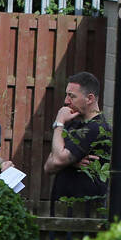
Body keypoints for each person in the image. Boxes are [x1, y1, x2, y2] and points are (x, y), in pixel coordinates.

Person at [45, 71, 111, 212]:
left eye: (72, 96)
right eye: (67, 95)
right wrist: (70, 162)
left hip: (83, 214)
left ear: (89, 98)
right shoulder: (73, 124)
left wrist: (59, 122)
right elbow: (48, 166)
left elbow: (56, 160)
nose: (66, 101)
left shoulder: (96, 128)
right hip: (61, 211)